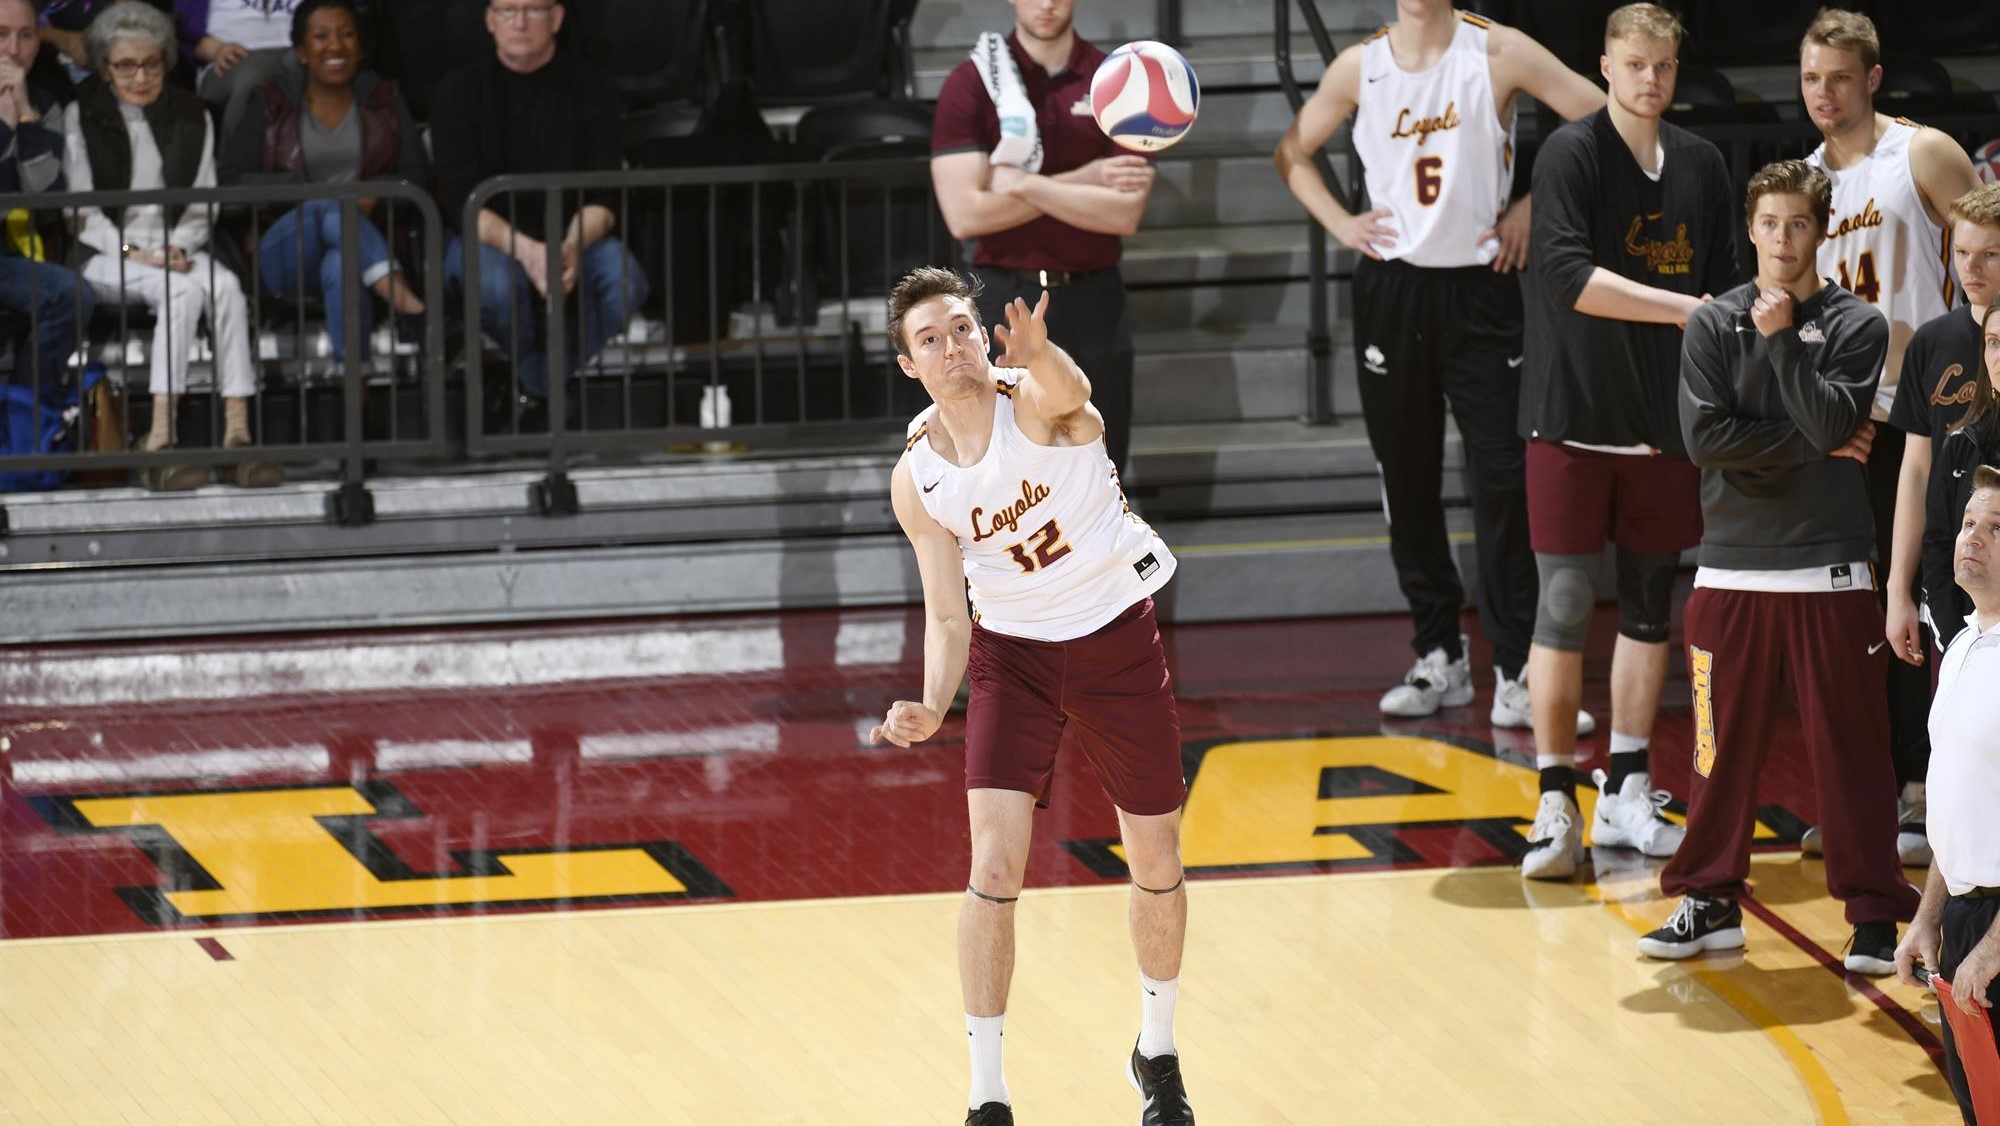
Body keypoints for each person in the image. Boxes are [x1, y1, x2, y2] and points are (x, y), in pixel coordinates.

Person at [868, 266, 1193, 1126]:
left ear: (985, 335)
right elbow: (946, 611)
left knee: (1156, 859)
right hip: (1012, 658)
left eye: (962, 329)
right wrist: (936, 704)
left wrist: (1041, 352)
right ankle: (987, 1095)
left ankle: (1155, 1051)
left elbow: (1075, 392)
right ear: (909, 365)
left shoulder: (1037, 397)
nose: (952, 348)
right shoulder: (918, 479)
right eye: (929, 339)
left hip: (1113, 635)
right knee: (992, 867)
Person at [1273, 1, 1603, 725]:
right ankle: (1438, 656)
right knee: (1408, 476)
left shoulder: (1500, 51)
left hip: (1482, 294)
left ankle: (1516, 666)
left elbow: (1602, 116)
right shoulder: (1360, 65)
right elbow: (1291, 152)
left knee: (1505, 482)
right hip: (1392, 290)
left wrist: (1532, 202)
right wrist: (1341, 224)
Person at [1642, 159, 1917, 970]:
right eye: (1770, 224)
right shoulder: (1709, 323)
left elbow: (1837, 410)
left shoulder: (1859, 324)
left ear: (1821, 230)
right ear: (1750, 229)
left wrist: (1785, 344)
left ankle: (1873, 915)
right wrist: (1819, 446)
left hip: (1832, 571)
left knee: (1853, 751)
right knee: (1714, 748)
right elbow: (1705, 443)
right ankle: (1708, 900)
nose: (1783, 239)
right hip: (1729, 573)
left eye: (1799, 224)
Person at [1515, 3, 1738, 880]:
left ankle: (1629, 786)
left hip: (1666, 425)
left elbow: (1723, 284)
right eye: (1635, 64)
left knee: (1652, 611)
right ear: (1605, 65)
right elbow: (1567, 275)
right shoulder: (1570, 153)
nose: (1650, 79)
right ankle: (1553, 800)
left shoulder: (1703, 164)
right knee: (1564, 607)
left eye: (1664, 66)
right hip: (1572, 418)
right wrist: (1685, 308)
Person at [1802, 6, 1981, 865]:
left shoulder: (1921, 154)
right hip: (1839, 425)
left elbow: (1987, 251)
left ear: (1873, 78)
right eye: (1809, 79)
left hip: (1928, 416)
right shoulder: (1800, 181)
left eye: (1838, 77)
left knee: (1920, 599)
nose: (1822, 94)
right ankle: (1862, 786)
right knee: (1850, 614)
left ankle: (1922, 785)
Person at [929, 0, 1154, 476]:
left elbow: (1123, 214)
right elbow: (966, 215)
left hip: (1094, 296)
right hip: (1005, 296)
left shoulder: (1116, 80)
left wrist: (1025, 184)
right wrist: (1085, 179)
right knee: (1009, 469)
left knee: (1102, 462)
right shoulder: (972, 83)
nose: (1046, 3)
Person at [65, 1, 277, 489]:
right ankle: (159, 437)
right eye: (125, 66)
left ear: (165, 61)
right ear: (105, 67)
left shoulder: (192, 113)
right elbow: (79, 214)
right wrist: (133, 254)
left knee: (225, 287)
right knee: (180, 293)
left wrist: (178, 246)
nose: (140, 77)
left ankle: (238, 435)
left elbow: (203, 201)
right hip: (106, 253)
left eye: (152, 63)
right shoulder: (84, 113)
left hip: (176, 247)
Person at [430, 0, 648, 424]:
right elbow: (463, 202)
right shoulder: (457, 92)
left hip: (573, 235)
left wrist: (567, 246)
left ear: (558, 18)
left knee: (625, 281)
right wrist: (530, 252)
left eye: (533, 10)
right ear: (490, 21)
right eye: (509, 11)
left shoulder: (592, 88)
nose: (521, 22)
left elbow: (605, 195)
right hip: (488, 238)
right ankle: (546, 386)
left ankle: (529, 382)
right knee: (496, 286)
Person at [218, 0, 425, 369]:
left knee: (340, 265)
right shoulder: (270, 104)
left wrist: (376, 194)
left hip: (357, 250)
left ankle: (355, 400)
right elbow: (231, 183)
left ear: (361, 47)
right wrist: (298, 190)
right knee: (326, 203)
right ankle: (406, 300)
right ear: (300, 50)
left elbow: (416, 177)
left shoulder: (384, 100)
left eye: (347, 35)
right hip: (282, 252)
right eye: (321, 36)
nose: (335, 46)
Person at [1895, 464, 2000, 1126]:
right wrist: (1929, 915)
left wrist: (1995, 944)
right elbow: (1958, 805)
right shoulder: (1961, 647)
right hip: (1963, 923)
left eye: (1996, 529)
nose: (1973, 538)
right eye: (1968, 523)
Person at [1900, 184, 2000, 660]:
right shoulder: (1932, 341)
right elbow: (1917, 469)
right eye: (1961, 252)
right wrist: (1901, 588)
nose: (1970, 268)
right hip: (1954, 593)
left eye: (1989, 254)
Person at [0, 0, 93, 398]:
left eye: (26, 35)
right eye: (1, 35)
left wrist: (23, 114)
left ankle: (28, 413)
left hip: (9, 258)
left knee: (70, 293)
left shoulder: (45, 104)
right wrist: (3, 131)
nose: (13, 50)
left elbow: (46, 196)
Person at [1924, 304, 2000, 648]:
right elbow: (1938, 547)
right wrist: (1960, 643)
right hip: (1969, 644)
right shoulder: (1960, 444)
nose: (1999, 355)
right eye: (1993, 342)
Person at [173, 0, 302, 140]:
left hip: (298, 56)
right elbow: (183, 29)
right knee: (252, 79)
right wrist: (215, 49)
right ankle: (234, 158)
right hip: (231, 61)